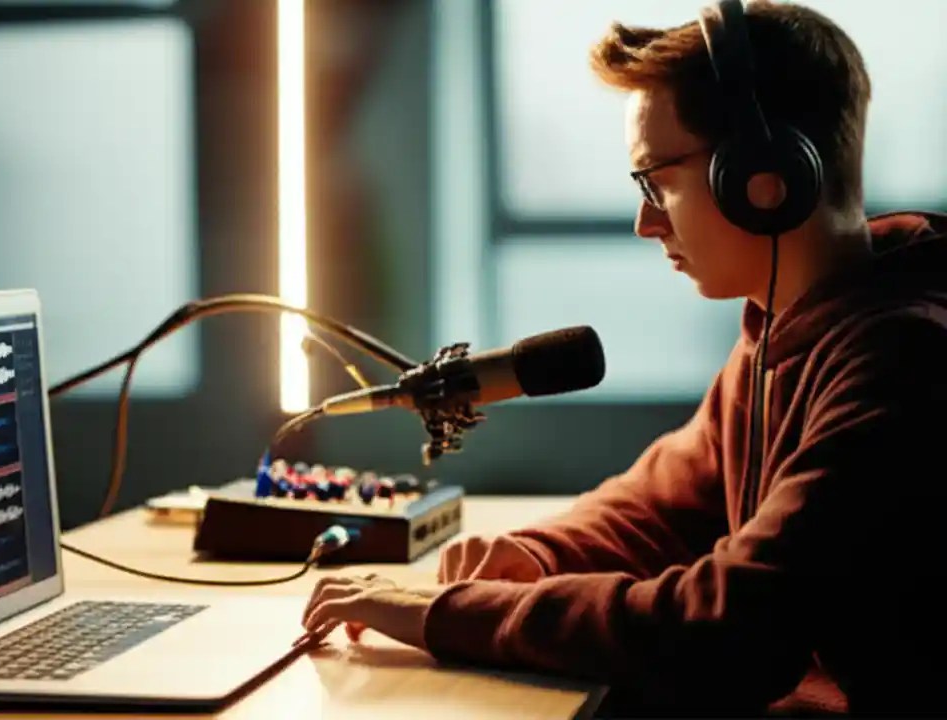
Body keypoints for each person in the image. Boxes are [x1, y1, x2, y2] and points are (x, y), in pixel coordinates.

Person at [298, 1, 947, 715]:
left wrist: (445, 616)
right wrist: (540, 554)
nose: (645, 222)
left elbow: (729, 629)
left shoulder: (900, 359)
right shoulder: (789, 325)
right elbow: (662, 504)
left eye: (656, 181)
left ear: (764, 175)